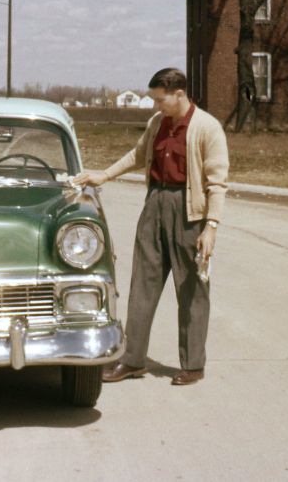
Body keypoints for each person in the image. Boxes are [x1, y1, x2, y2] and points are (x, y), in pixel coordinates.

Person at [74, 68, 229, 386]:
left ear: (179, 94)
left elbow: (217, 183)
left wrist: (210, 227)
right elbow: (139, 154)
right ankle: (132, 360)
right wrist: (104, 174)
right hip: (154, 205)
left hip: (189, 213)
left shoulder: (207, 128)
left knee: (192, 291)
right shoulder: (157, 122)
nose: (157, 105)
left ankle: (193, 364)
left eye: (161, 99)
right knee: (142, 286)